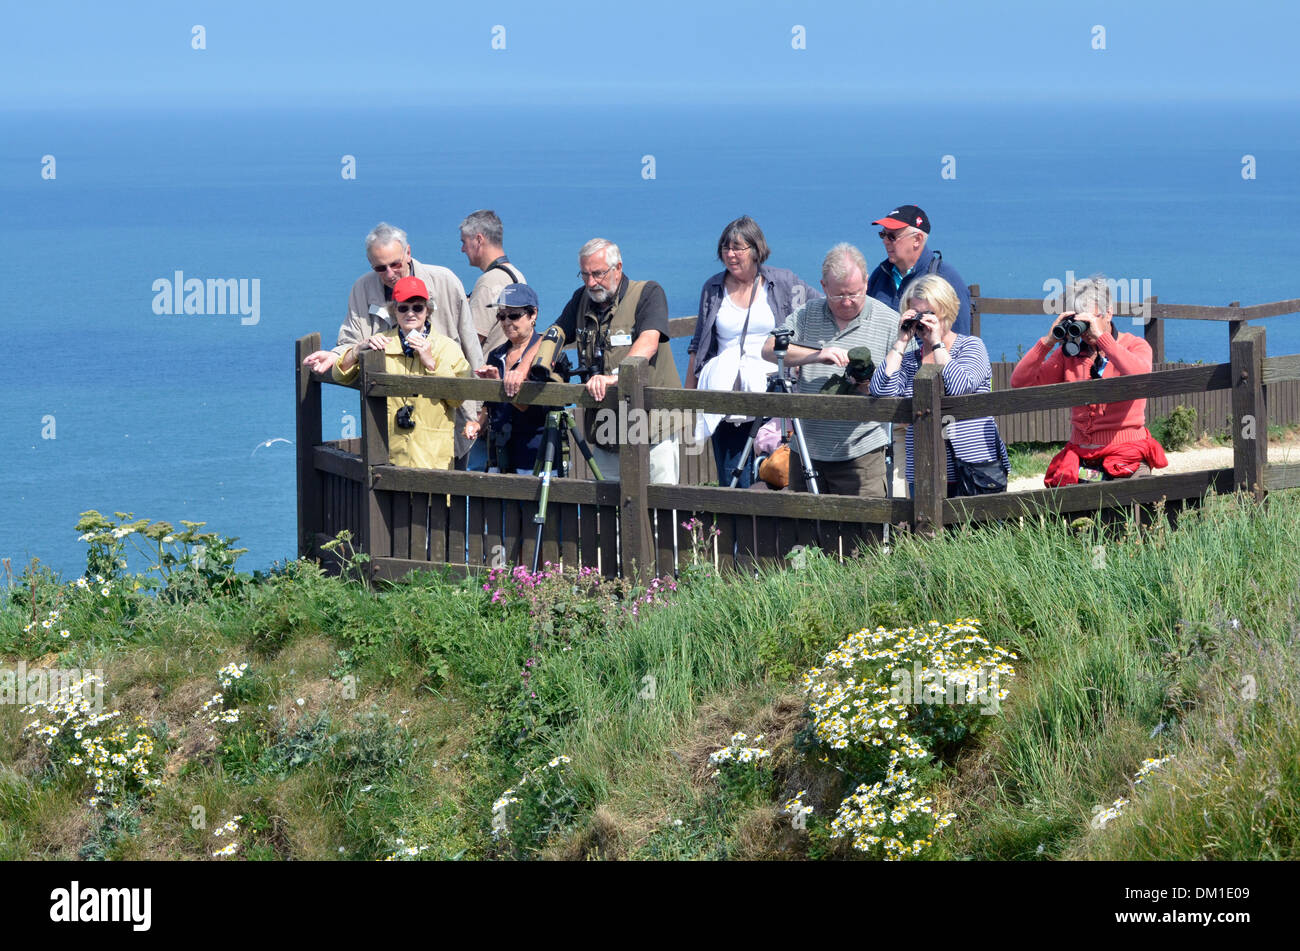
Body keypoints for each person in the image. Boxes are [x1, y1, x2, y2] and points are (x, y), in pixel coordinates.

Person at [301, 222, 484, 462]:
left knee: (448, 490)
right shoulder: (363, 289)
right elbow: (350, 340)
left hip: (446, 419)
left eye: (395, 264)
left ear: (408, 252)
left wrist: (480, 410)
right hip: (390, 427)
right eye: (380, 268)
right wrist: (338, 355)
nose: (389, 274)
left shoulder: (445, 282)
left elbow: (470, 344)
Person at [686, 216, 820, 488]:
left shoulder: (782, 282)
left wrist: (810, 355)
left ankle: (768, 529)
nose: (730, 254)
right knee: (730, 476)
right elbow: (698, 343)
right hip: (723, 393)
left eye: (738, 247)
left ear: (757, 249)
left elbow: (819, 307)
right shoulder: (712, 288)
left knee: (773, 472)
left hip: (771, 391)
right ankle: (735, 529)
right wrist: (689, 394)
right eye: (725, 248)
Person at [760, 243, 899, 497]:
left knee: (864, 534)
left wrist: (870, 383)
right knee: (806, 532)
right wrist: (815, 355)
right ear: (823, 287)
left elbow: (908, 379)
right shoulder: (806, 315)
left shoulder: (890, 322)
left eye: (854, 294)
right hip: (807, 450)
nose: (846, 302)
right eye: (838, 295)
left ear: (867, 283)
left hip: (862, 452)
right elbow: (769, 349)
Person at [1010, 273, 1168, 485]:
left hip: (1126, 454)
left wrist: (1104, 342)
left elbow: (1140, 378)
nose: (1083, 330)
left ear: (1108, 313)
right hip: (1082, 456)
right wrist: (1048, 341)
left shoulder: (1134, 345)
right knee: (1069, 501)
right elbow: (1020, 383)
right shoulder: (1069, 354)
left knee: (1132, 504)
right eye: (1078, 321)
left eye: (1089, 320)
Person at [550, 238, 682, 483]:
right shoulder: (581, 299)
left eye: (598, 274)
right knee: (610, 510)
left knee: (662, 509)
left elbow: (649, 342)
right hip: (607, 431)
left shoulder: (648, 293)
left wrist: (615, 378)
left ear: (618, 268)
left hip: (652, 428)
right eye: (585, 274)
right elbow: (555, 333)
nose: (591, 282)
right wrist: (525, 367)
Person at [870, 275, 1009, 496]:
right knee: (929, 530)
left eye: (930, 314)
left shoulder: (971, 347)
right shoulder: (909, 360)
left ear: (947, 311)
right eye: (917, 314)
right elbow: (879, 390)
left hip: (975, 466)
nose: (923, 321)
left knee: (981, 529)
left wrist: (937, 344)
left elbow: (960, 386)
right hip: (925, 467)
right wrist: (901, 340)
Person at [331, 276, 470, 470]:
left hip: (433, 458)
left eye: (418, 307)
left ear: (428, 310)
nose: (410, 313)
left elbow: (458, 398)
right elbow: (341, 375)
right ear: (393, 311)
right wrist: (357, 349)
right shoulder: (380, 344)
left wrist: (431, 362)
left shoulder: (448, 348)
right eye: (403, 308)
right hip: (388, 459)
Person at [466, 284, 551, 474]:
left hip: (535, 458)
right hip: (499, 457)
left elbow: (535, 410)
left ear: (533, 315)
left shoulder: (546, 356)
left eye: (513, 315)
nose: (506, 322)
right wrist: (478, 425)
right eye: (501, 316)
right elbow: (490, 405)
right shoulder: (497, 355)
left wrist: (499, 386)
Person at [867, 204, 973, 336]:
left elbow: (959, 339)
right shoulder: (881, 274)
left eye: (892, 236)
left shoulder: (946, 278)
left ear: (917, 239)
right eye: (883, 234)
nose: (885, 241)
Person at [459, 210, 527, 357]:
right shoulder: (516, 275)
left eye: (464, 242)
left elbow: (471, 341)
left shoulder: (489, 282)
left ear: (478, 240)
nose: (462, 249)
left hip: (487, 373)